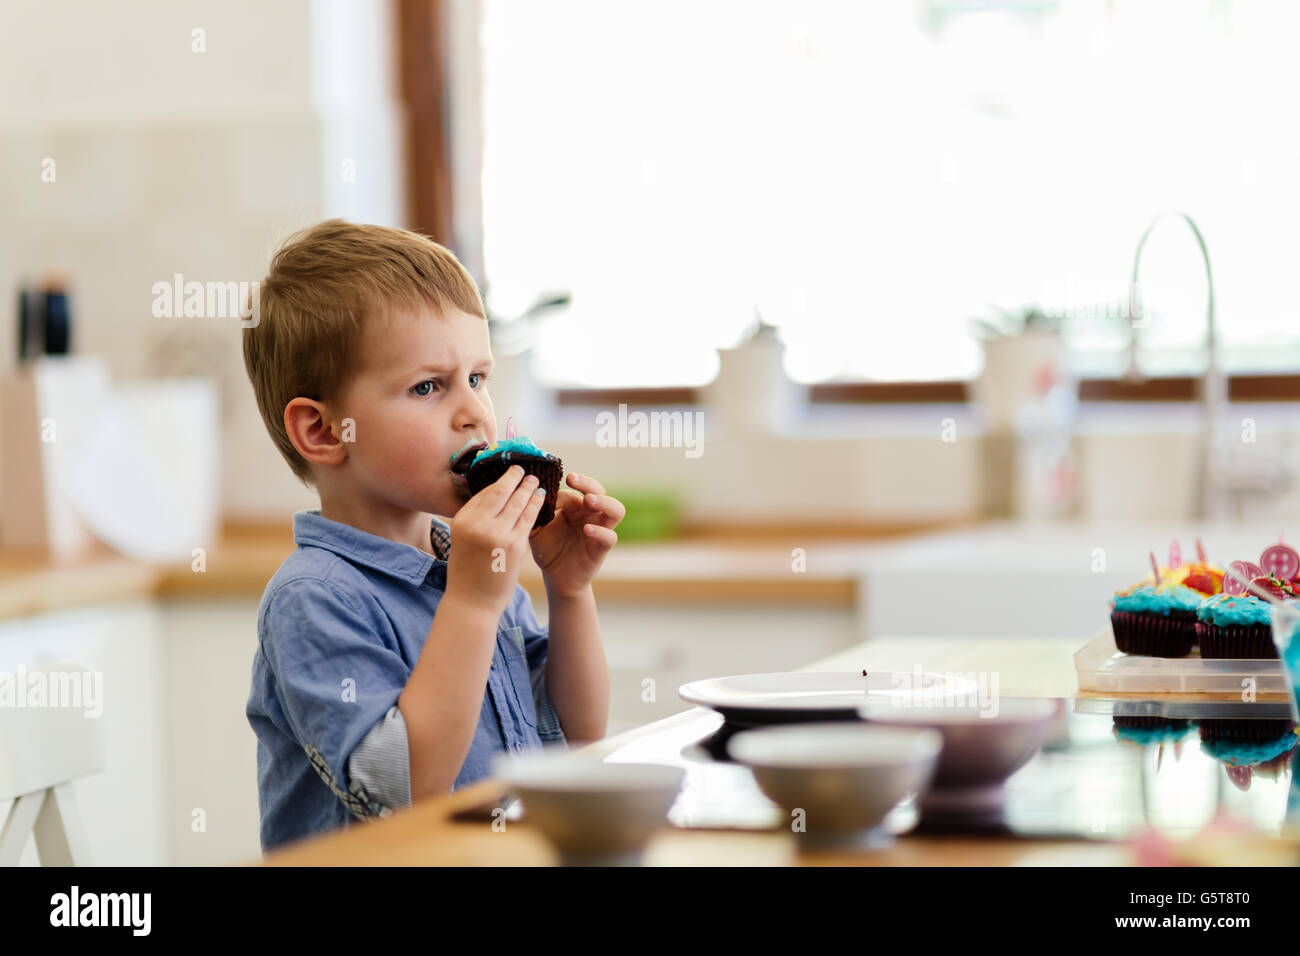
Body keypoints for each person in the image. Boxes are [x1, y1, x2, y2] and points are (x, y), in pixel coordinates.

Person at [241, 219, 617, 853]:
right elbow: (401, 798)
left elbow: (574, 739)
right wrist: (473, 602)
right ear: (325, 432)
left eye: (477, 378)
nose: (473, 410)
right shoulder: (314, 599)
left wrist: (569, 590)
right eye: (427, 387)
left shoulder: (465, 564)